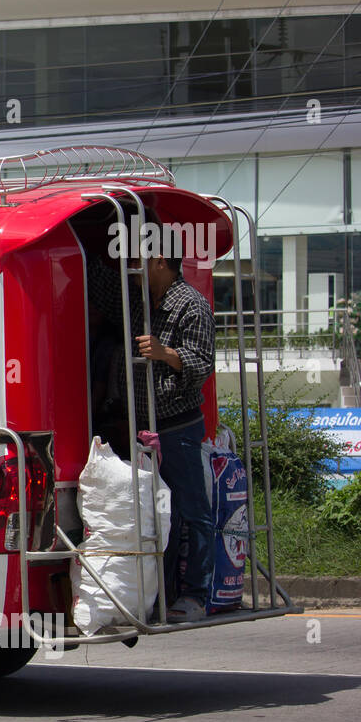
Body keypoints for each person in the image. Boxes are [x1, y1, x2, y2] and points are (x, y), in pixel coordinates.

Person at [88, 226, 216, 624]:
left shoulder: (190, 305)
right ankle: (163, 594)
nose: (133, 268)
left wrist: (166, 354)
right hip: (138, 427)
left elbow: (202, 365)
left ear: (160, 261)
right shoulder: (138, 300)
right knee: (155, 514)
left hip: (177, 429)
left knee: (192, 513)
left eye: (139, 261)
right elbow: (98, 282)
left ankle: (195, 596)